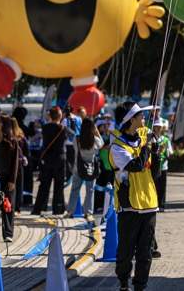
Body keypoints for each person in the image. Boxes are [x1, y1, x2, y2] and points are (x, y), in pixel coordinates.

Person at [110, 102, 160, 291]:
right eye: (140, 116)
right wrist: (146, 146)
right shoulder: (117, 146)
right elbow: (136, 166)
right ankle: (124, 283)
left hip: (149, 203)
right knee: (126, 250)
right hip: (129, 205)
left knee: (145, 252)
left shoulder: (143, 136)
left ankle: (140, 286)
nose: (143, 119)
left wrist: (155, 151)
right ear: (131, 120)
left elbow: (154, 173)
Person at [0, 114, 22, 242]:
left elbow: (15, 163)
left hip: (8, 179)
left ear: (4, 125)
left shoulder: (12, 142)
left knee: (8, 206)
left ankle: (8, 233)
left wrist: (13, 180)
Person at [33, 106, 68, 215]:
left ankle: (38, 208)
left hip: (47, 159)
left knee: (44, 185)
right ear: (60, 115)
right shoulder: (63, 128)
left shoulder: (45, 128)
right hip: (59, 159)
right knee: (59, 185)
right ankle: (57, 209)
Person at [69, 116, 103, 220]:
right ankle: (88, 213)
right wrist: (97, 132)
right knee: (90, 190)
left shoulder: (77, 139)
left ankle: (70, 211)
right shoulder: (95, 139)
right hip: (91, 168)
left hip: (78, 168)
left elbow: (75, 150)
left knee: (75, 189)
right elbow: (101, 145)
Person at [150, 117, 172, 211]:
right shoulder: (150, 139)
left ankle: (162, 205)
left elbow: (170, 153)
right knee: (153, 186)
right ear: (153, 127)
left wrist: (166, 151)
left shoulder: (166, 140)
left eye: (160, 127)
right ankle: (153, 204)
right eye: (156, 126)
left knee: (162, 186)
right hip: (153, 167)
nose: (158, 128)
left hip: (163, 166)